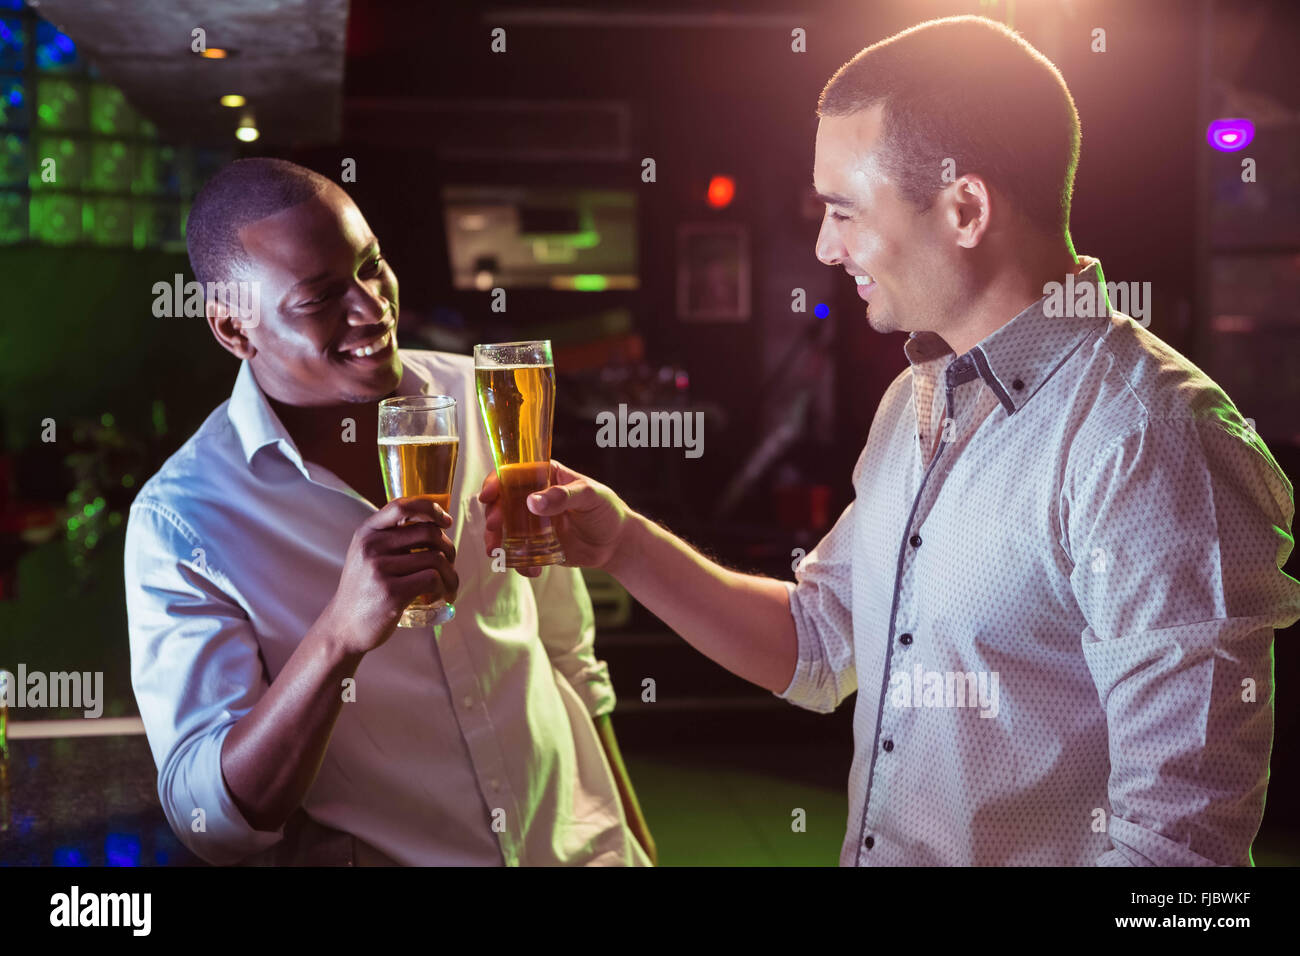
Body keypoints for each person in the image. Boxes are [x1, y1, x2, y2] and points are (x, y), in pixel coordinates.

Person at [480, 15, 1300, 866]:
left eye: (843, 211)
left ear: (965, 207)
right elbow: (820, 642)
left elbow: (1180, 863)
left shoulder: (1152, 442)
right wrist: (623, 542)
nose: (826, 246)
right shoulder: (915, 398)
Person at [124, 157, 654, 866]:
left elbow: (567, 653)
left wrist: (635, 841)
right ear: (235, 331)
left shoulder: (487, 399)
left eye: (371, 265)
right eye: (319, 297)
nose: (372, 307)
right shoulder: (181, 520)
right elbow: (209, 821)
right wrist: (339, 634)